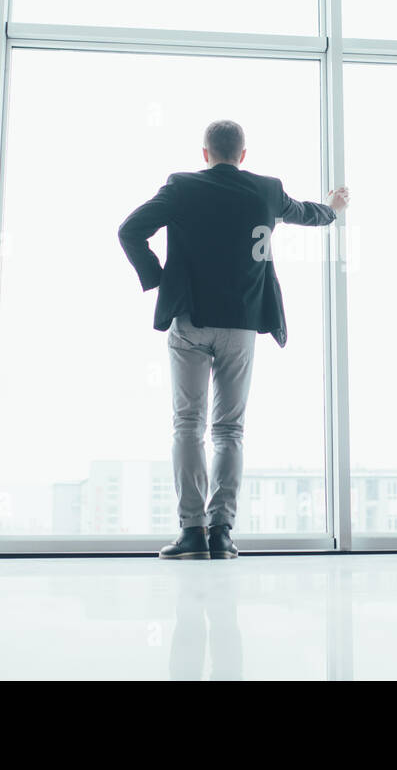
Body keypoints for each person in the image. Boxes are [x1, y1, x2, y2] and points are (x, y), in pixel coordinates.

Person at [118, 119, 349, 560]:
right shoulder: (266, 189)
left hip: (191, 322)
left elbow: (130, 230)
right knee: (229, 430)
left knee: (188, 425)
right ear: (243, 155)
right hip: (242, 325)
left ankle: (191, 533)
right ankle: (222, 533)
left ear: (205, 153)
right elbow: (305, 212)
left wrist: (160, 280)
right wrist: (333, 209)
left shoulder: (181, 186)